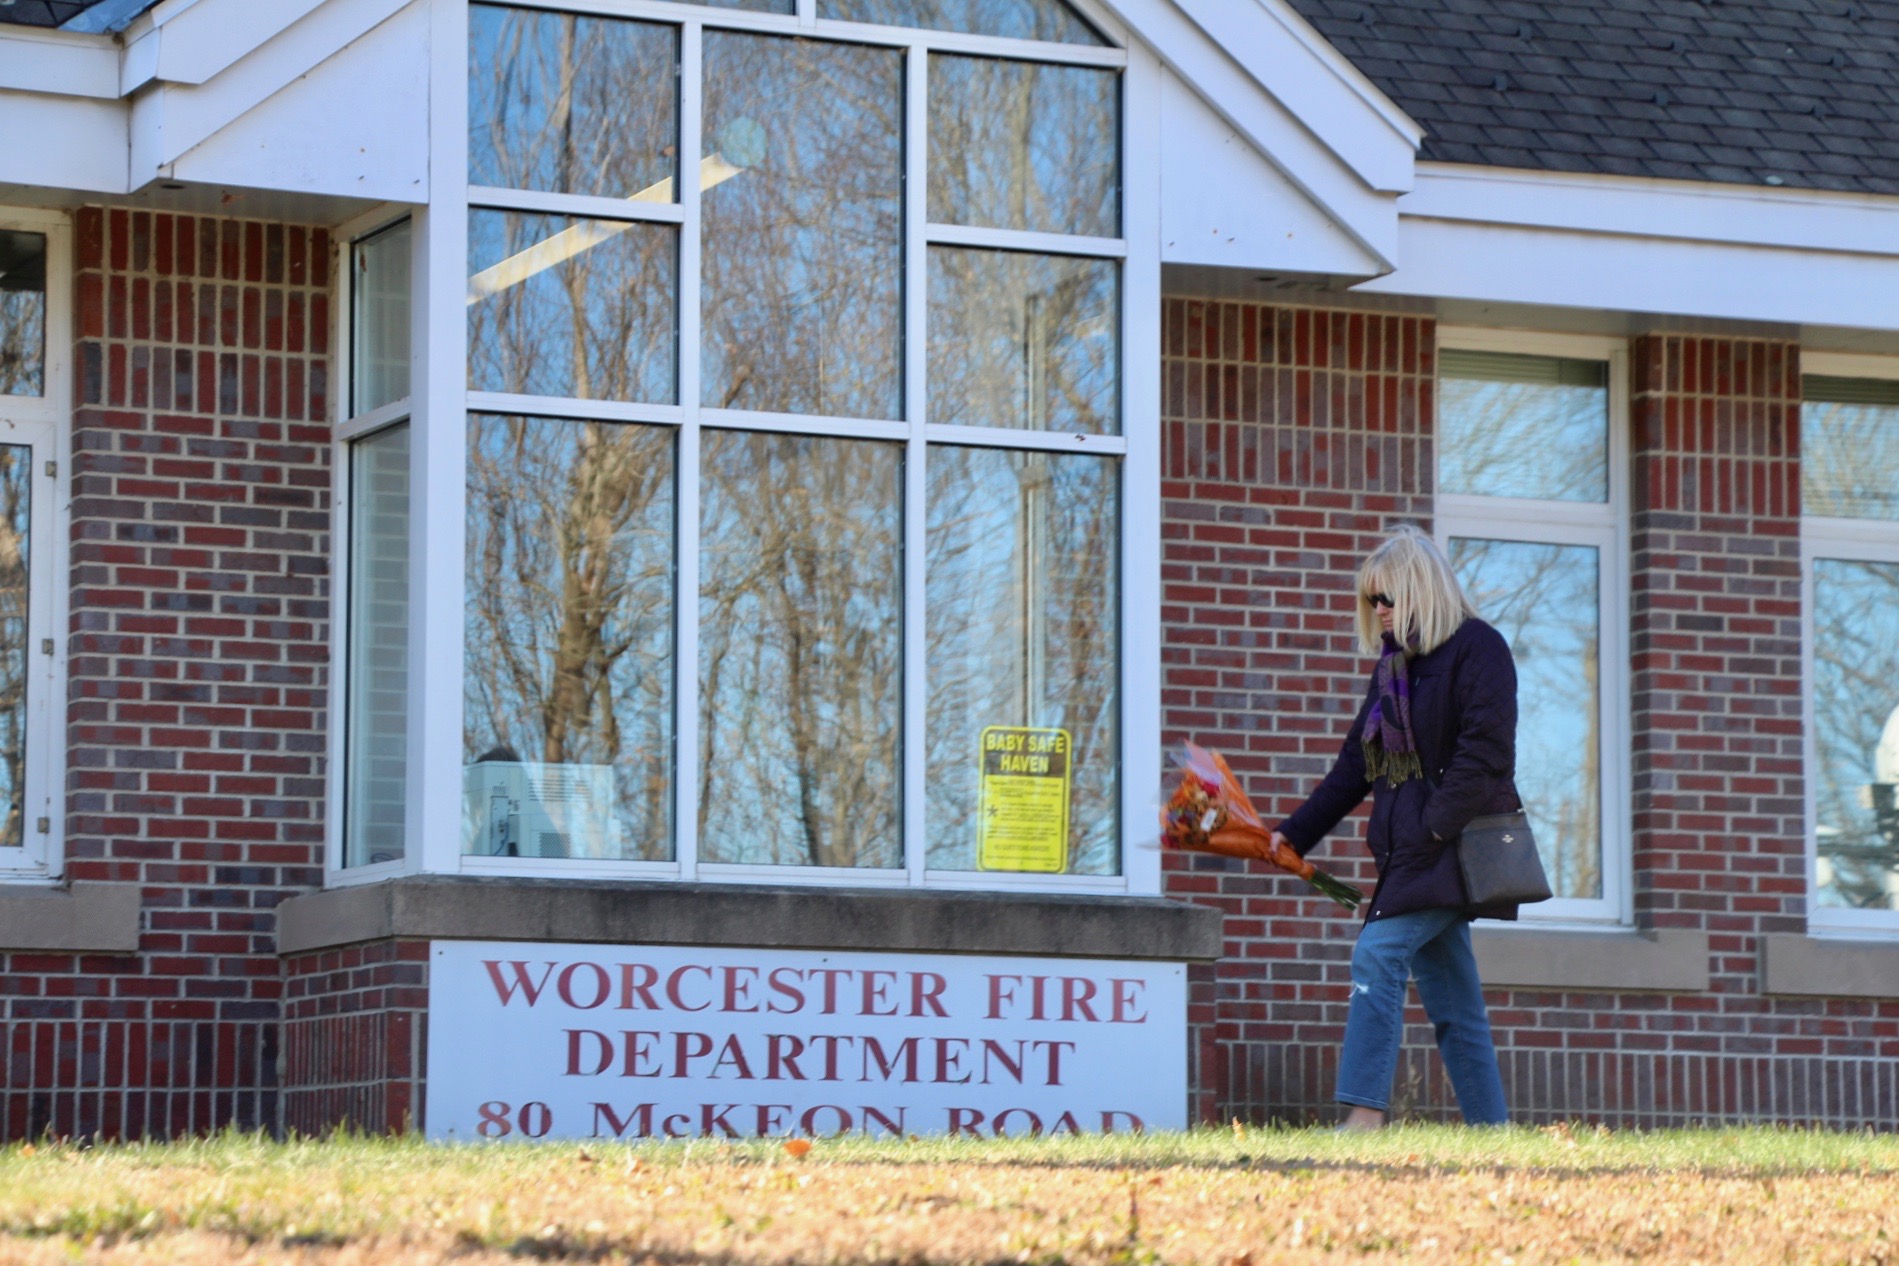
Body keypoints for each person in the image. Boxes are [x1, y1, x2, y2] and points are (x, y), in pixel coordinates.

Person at [1267, 524, 1518, 1129]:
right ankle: (1495, 1134)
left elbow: (1485, 756)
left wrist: (1433, 828)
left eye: (1387, 598)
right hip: (1410, 855)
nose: (1377, 611)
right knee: (1455, 1003)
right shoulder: (1393, 670)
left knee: (1376, 958)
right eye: (1370, 601)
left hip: (1450, 851)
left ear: (1419, 590)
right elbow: (1355, 766)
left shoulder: (1479, 649)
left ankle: (1361, 1118)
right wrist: (1293, 835)